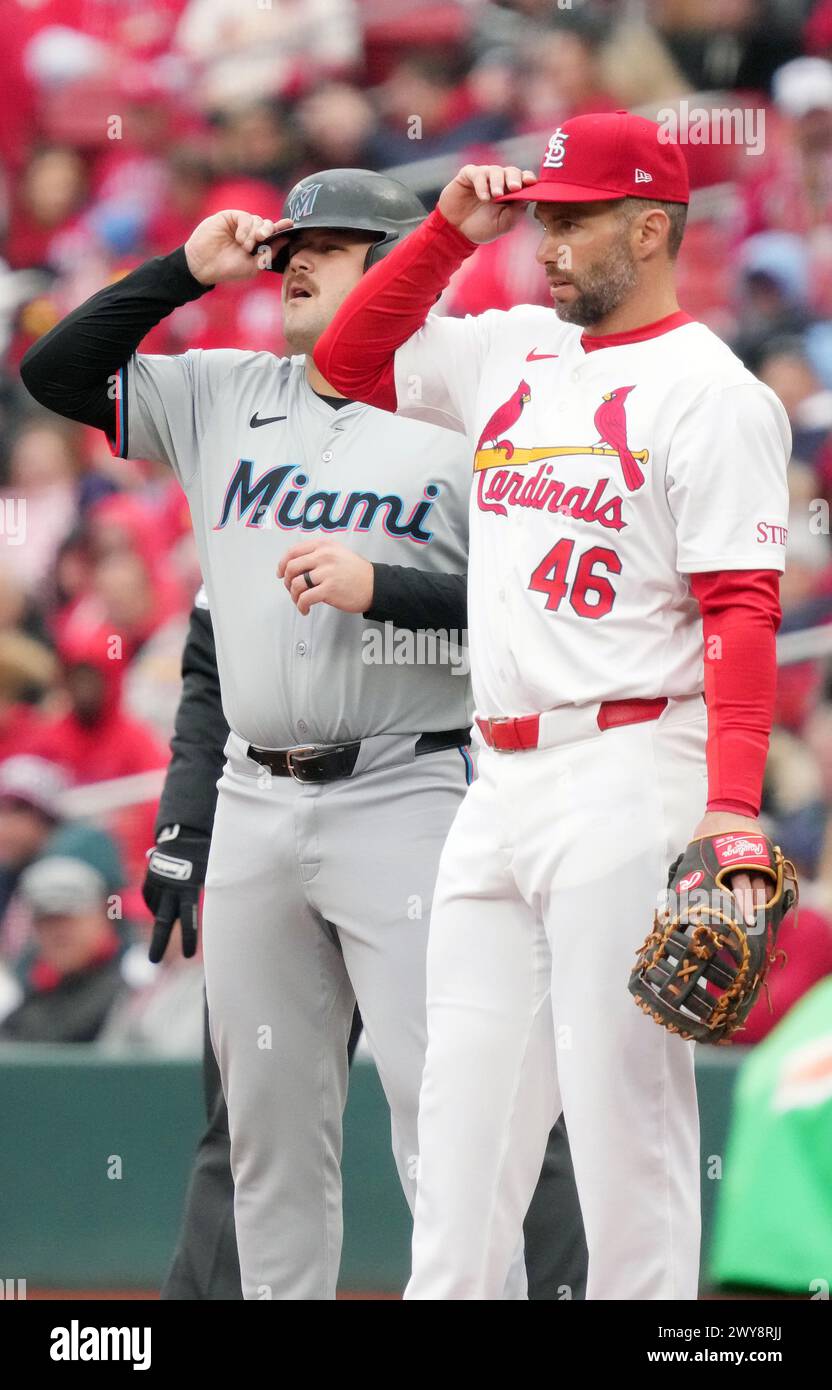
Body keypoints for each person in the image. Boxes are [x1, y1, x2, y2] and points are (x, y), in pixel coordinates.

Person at [20, 168, 586, 1300]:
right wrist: (184, 273)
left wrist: (383, 587)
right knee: (267, 1134)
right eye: (292, 248)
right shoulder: (228, 391)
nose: (299, 265)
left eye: (333, 245)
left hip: (409, 790)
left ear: (398, 263)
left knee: (453, 1112)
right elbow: (54, 372)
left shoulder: (467, 403)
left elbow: (536, 606)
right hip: (256, 798)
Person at [313, 111, 792, 1299]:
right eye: (544, 219)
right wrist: (442, 235)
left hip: (631, 763)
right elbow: (344, 364)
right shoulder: (511, 346)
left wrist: (728, 811)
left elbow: (740, 609)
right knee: (458, 1125)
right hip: (500, 778)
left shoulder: (711, 392)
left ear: (650, 224)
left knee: (628, 1124)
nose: (550, 243)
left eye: (574, 221)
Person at [0, 855, 123, 1043]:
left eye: (69, 919)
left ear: (101, 917)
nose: (58, 934)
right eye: (46, 921)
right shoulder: (36, 992)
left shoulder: (125, 990)